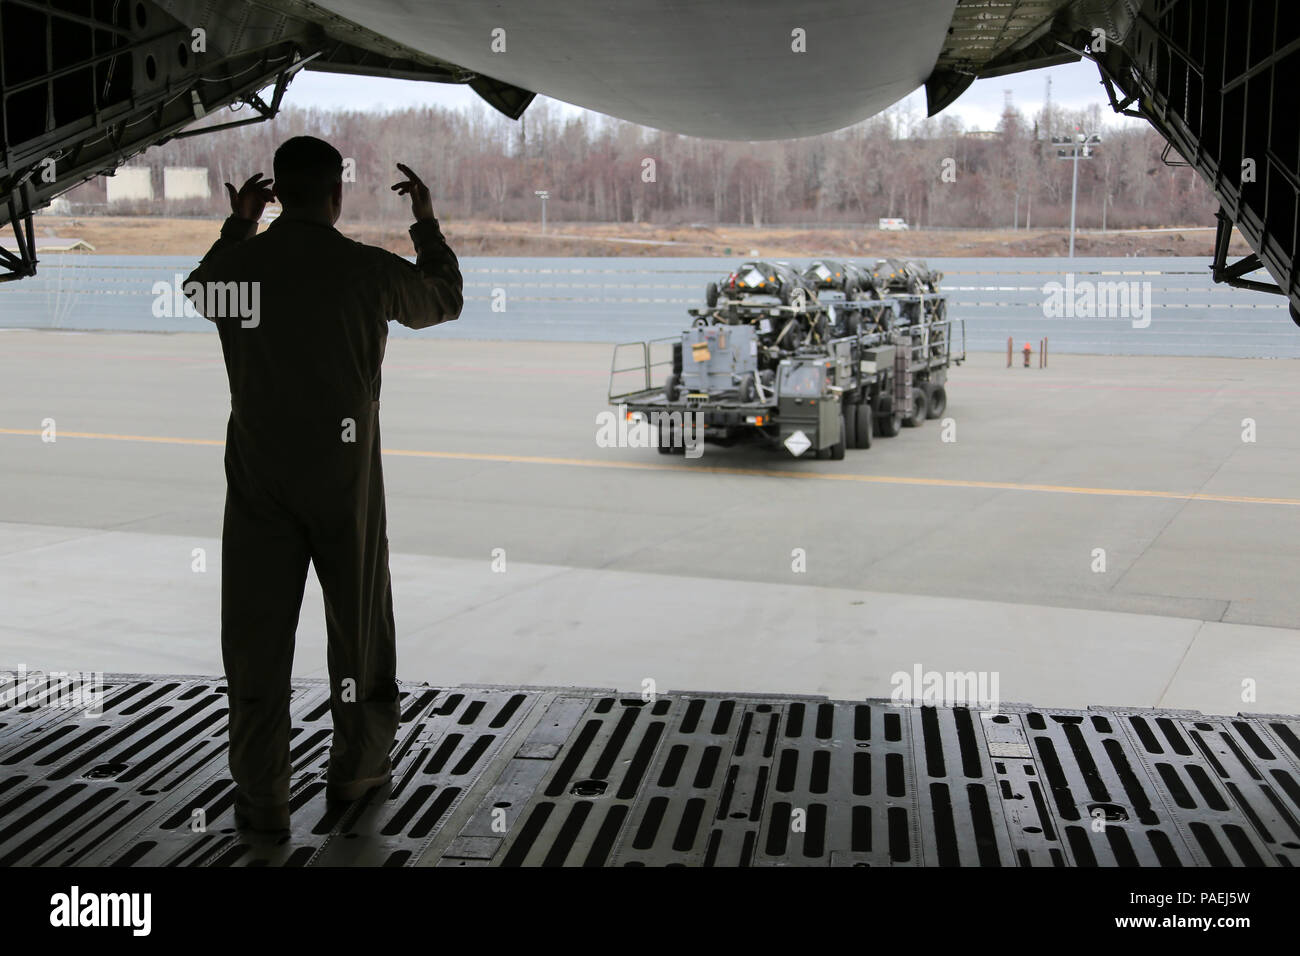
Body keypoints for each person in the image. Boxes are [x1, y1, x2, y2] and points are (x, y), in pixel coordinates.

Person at [184, 136, 462, 832]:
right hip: (344, 483)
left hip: (259, 481)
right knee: (360, 628)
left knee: (255, 640)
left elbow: (198, 289)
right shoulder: (365, 270)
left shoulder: (240, 268)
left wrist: (241, 224)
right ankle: (358, 772)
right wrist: (424, 223)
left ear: (276, 191)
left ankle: (263, 797)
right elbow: (444, 300)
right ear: (337, 193)